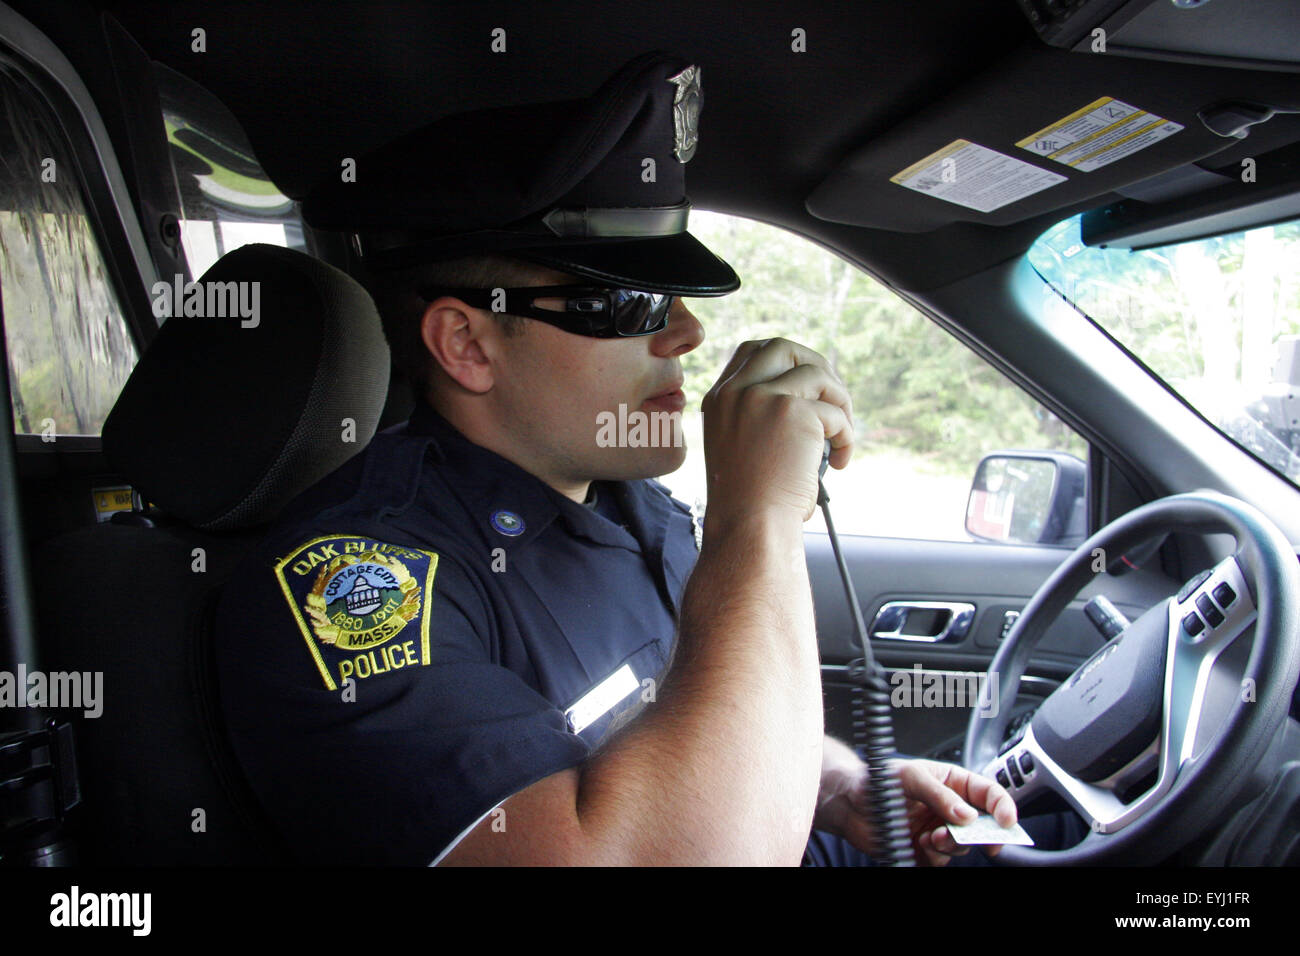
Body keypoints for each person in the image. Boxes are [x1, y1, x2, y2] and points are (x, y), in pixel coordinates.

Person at [213, 51, 1019, 866]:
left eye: (672, 300)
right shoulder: (355, 587)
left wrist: (841, 787)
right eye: (624, 302)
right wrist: (757, 523)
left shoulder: (638, 508)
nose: (685, 334)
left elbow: (701, 711)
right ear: (467, 344)